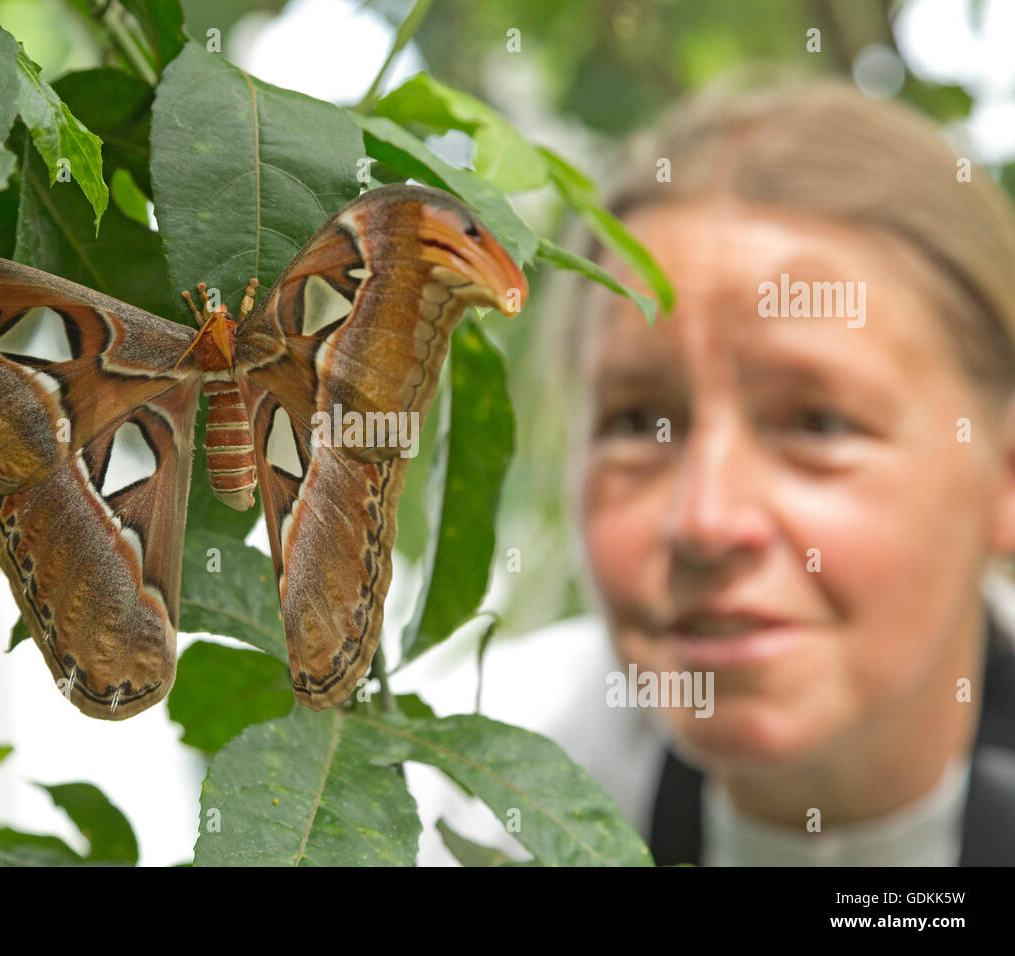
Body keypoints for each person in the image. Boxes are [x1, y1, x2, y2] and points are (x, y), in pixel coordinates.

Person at [404, 79, 1015, 866]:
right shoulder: (472, 795)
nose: (705, 519)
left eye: (817, 423)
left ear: (1001, 477)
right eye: (636, 423)